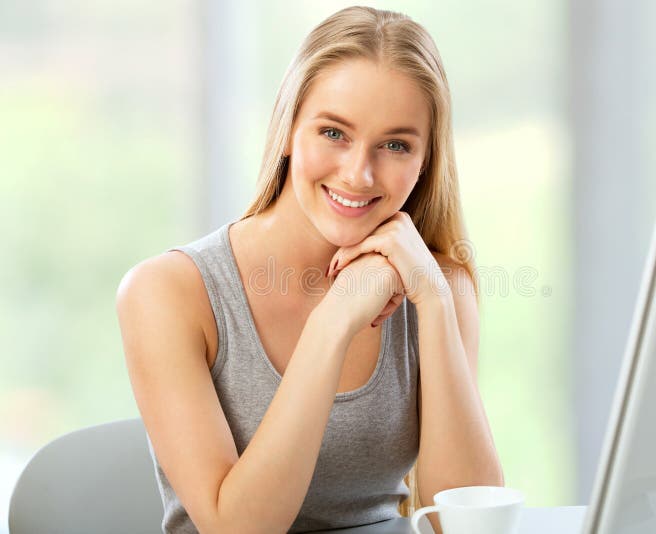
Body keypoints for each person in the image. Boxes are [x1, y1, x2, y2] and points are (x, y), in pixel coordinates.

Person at [116, 6, 503, 534]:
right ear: (289, 127)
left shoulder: (435, 286)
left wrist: (434, 302)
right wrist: (333, 322)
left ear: (426, 159)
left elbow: (464, 522)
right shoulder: (168, 292)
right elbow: (237, 529)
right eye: (333, 133)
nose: (358, 173)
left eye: (395, 145)